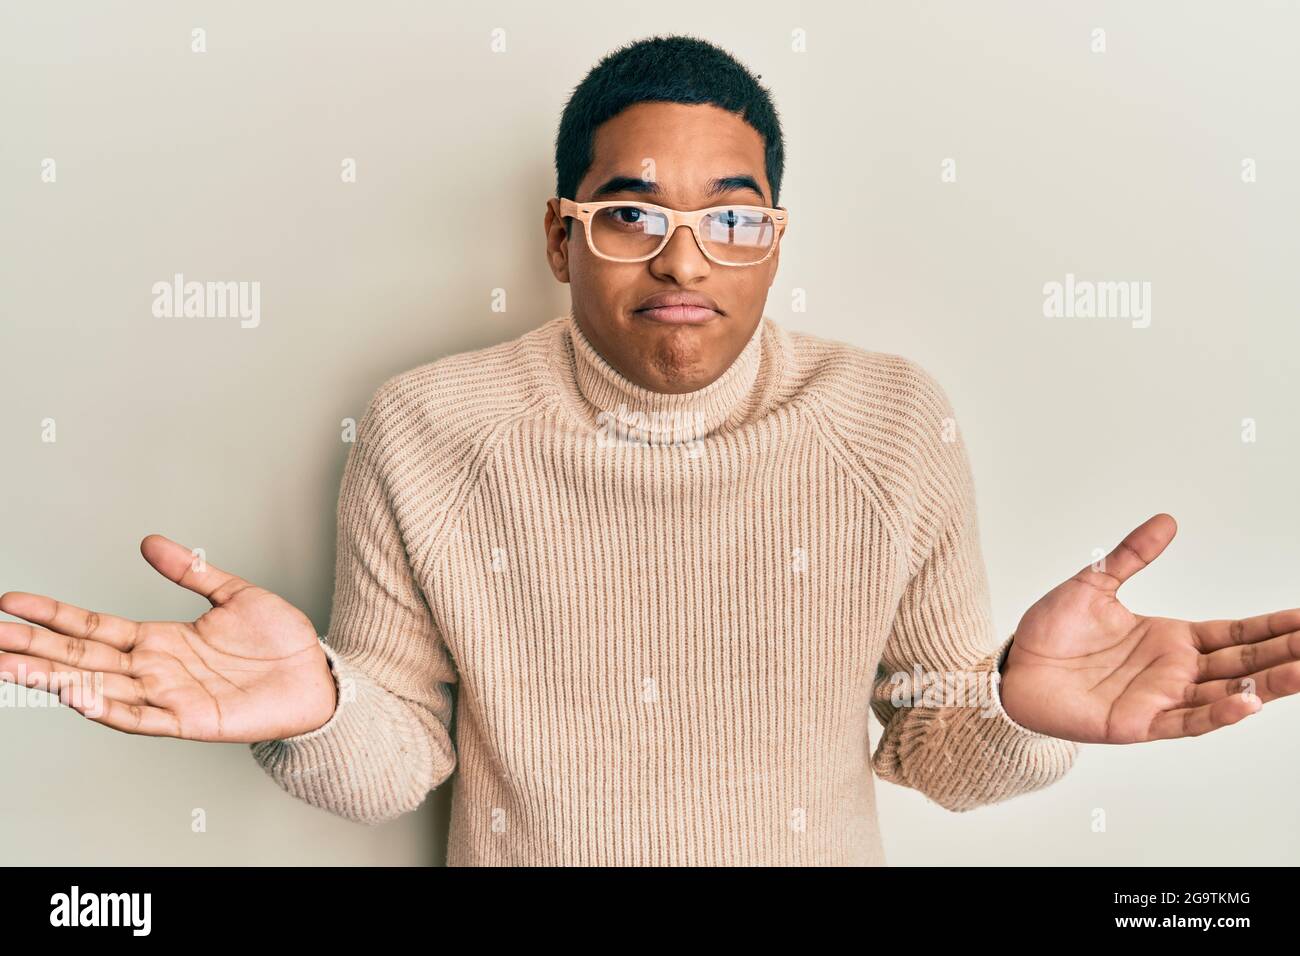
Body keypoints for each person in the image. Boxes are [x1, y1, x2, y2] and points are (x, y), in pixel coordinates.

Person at [2, 34, 1296, 867]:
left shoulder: (891, 417)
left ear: (778, 240)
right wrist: (327, 707)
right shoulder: (429, 426)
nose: (684, 258)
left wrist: (1009, 702)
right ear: (561, 238)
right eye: (630, 213)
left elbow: (933, 737)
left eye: (733, 219)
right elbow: (398, 753)